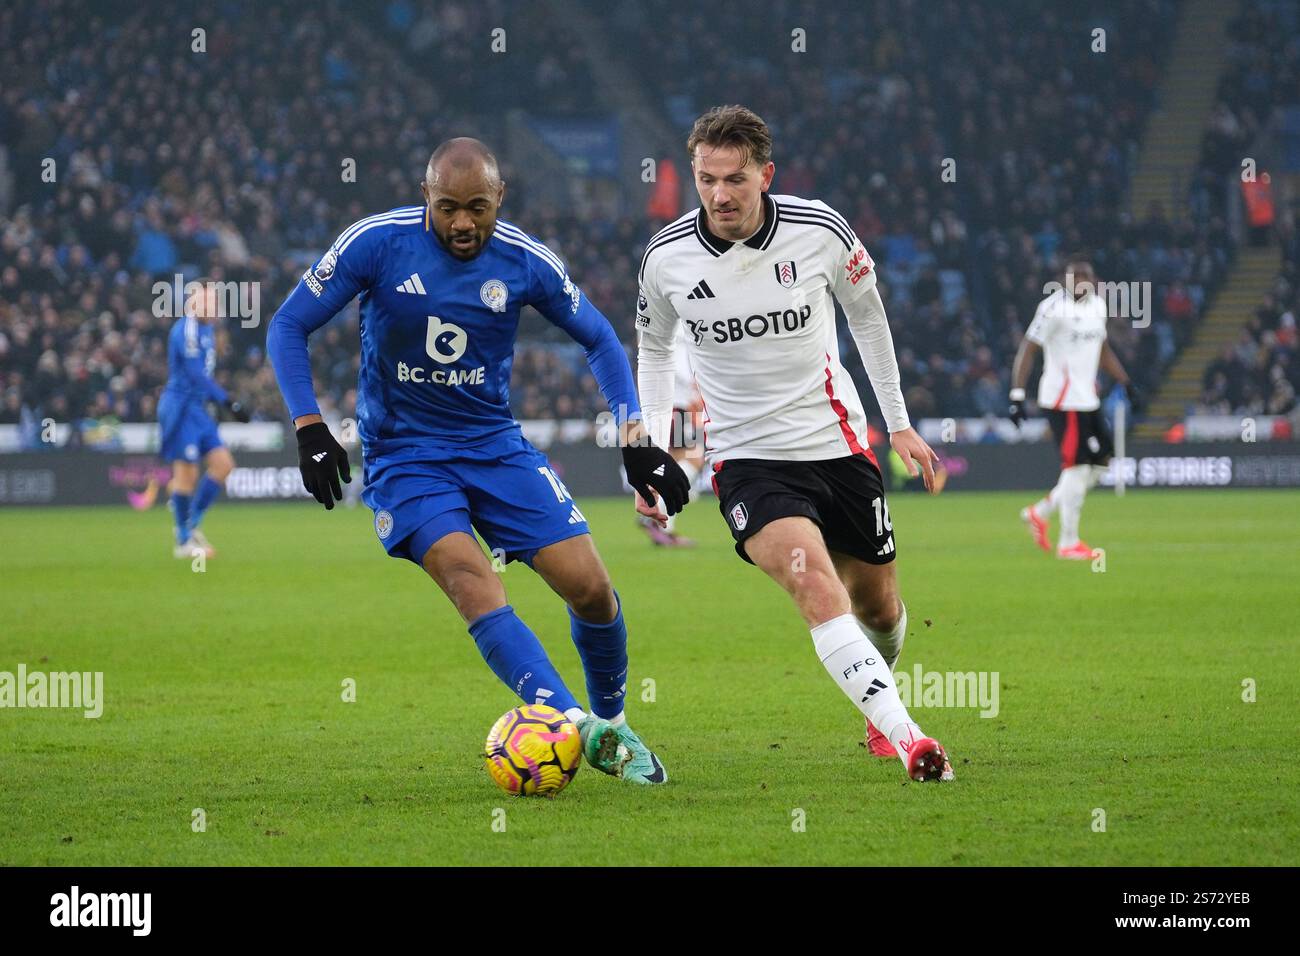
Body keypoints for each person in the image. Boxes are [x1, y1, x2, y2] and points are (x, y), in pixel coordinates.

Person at [266, 138, 688, 784]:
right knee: (471, 579)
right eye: (447, 208)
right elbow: (288, 325)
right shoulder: (376, 244)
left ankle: (612, 720)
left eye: (478, 208)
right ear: (425, 198)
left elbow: (601, 338)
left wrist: (635, 436)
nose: (463, 223)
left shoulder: (525, 260)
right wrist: (309, 427)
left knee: (591, 589)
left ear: (500, 199)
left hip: (494, 446)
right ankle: (577, 725)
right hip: (405, 457)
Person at [635, 105, 953, 782]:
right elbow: (655, 352)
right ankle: (911, 739)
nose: (719, 194)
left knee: (880, 609)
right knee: (814, 583)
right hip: (748, 461)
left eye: (735, 179)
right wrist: (657, 451)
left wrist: (897, 422)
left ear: (766, 175)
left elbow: (869, 319)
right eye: (706, 179)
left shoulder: (820, 230)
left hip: (837, 446)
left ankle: (879, 702)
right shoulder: (666, 258)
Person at [1010, 258, 1139, 559]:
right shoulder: (1052, 308)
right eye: (1074, 276)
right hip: (1062, 401)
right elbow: (1028, 349)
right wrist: (1017, 395)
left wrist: (1126, 383)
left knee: (1102, 461)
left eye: (1085, 276)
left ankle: (1040, 512)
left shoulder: (1098, 306)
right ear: (1064, 280)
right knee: (1077, 467)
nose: (1080, 280)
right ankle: (1068, 542)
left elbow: (1102, 350)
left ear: (1093, 280)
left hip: (1088, 400)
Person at [157, 281, 250, 558]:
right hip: (181, 408)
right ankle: (183, 541)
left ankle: (191, 523)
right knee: (186, 475)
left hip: (198, 409)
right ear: (193, 304)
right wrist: (228, 402)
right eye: (208, 303)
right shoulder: (185, 330)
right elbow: (196, 374)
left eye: (215, 302)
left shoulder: (208, 330)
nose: (214, 308)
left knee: (223, 465)